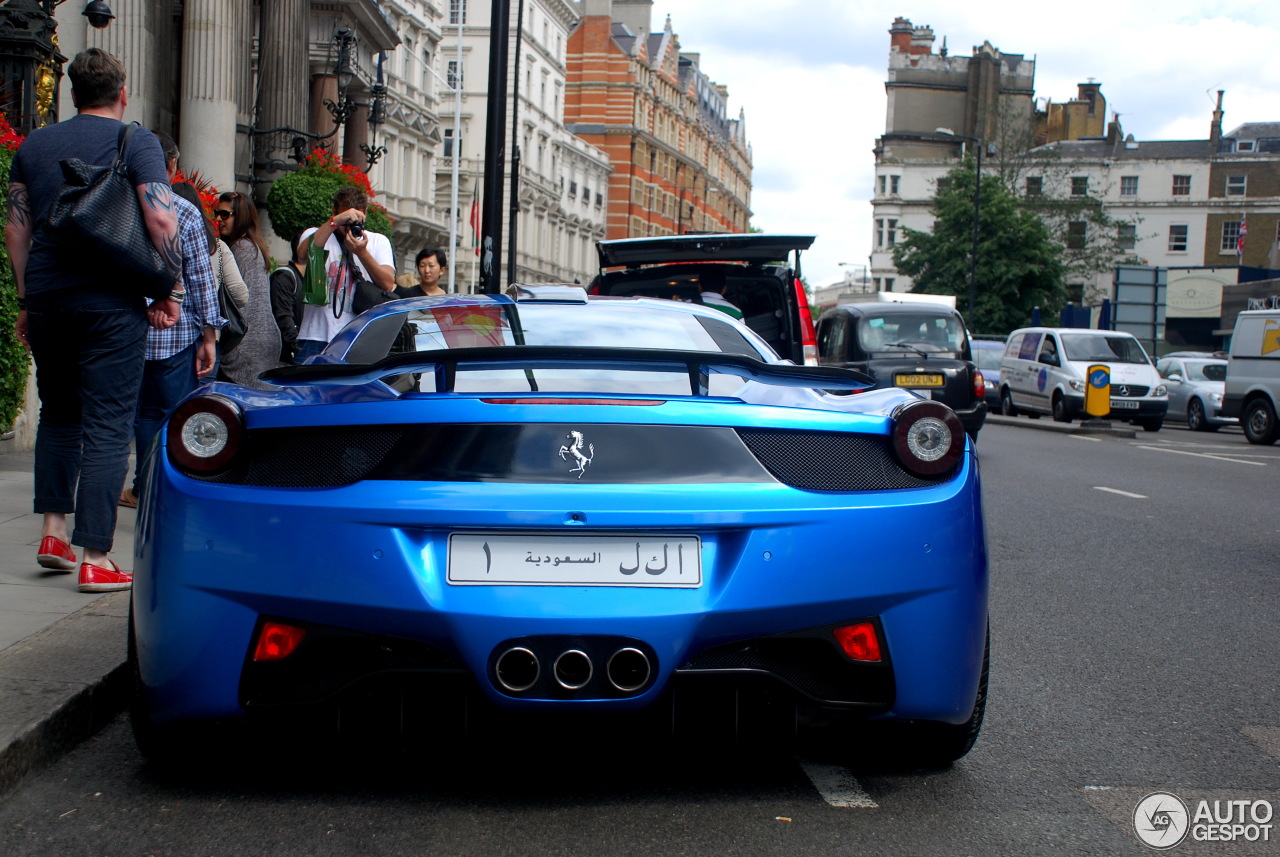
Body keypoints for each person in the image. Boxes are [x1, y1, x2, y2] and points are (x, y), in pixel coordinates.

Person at [5, 48, 182, 593]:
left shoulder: (35, 145)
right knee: (108, 423)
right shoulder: (138, 141)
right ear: (122, 93)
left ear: (71, 94)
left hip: (51, 298)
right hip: (111, 300)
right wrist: (168, 284)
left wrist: (26, 298)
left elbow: (16, 230)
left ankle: (53, 533)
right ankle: (96, 556)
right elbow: (159, 216)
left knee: (59, 413)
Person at [121, 173, 225, 509]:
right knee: (175, 415)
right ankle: (171, 488)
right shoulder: (183, 210)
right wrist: (210, 335)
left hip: (126, 332)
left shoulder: (118, 202)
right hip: (176, 334)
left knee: (139, 416)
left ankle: (143, 486)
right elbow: (200, 277)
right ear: (170, 164)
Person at [293, 185, 395, 364]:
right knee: (304, 391)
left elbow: (387, 283)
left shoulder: (378, 241)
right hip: (315, 337)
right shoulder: (316, 234)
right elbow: (302, 255)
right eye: (346, 220)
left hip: (356, 339)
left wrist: (361, 252)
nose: (349, 227)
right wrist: (334, 223)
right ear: (334, 211)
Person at [213, 191, 280, 389]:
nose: (218, 219)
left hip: (247, 343)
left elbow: (240, 300)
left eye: (225, 214)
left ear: (240, 217)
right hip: (260, 340)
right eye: (217, 212)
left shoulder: (241, 248)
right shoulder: (253, 246)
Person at [269, 230, 307, 364]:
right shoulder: (284, 277)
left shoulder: (311, 282)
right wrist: (298, 349)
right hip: (284, 358)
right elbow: (283, 317)